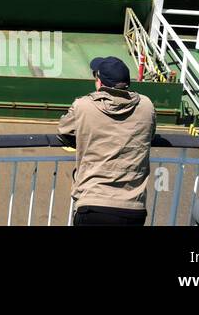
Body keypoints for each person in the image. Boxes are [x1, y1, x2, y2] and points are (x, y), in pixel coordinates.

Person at [58, 55, 156, 226]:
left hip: (93, 203)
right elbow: (150, 133)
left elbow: (63, 130)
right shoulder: (146, 106)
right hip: (134, 207)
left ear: (100, 82)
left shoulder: (83, 106)